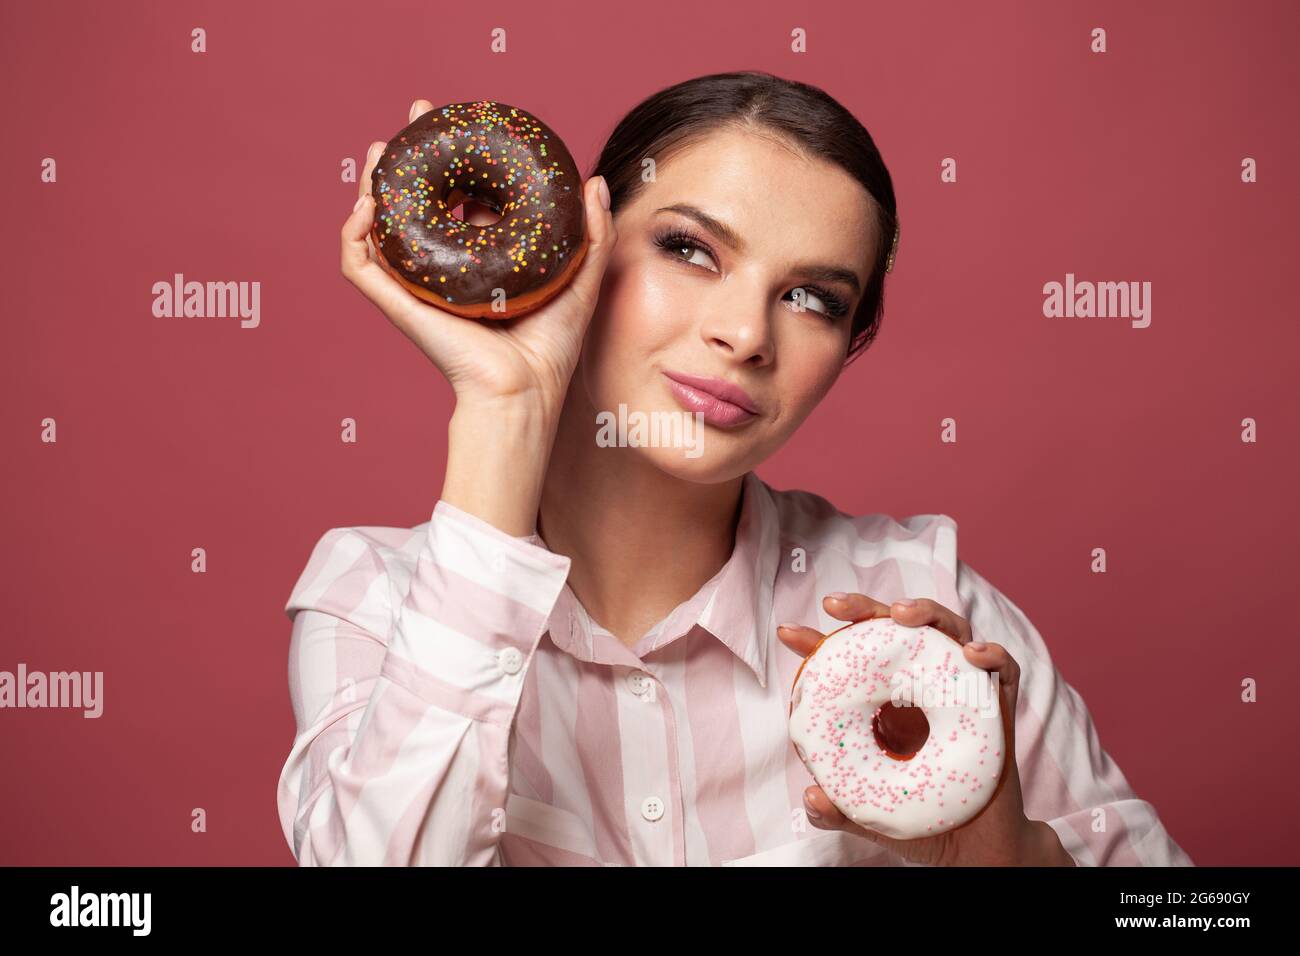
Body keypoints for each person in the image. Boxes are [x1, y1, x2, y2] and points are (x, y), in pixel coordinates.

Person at [276, 71, 1192, 867]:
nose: (747, 335)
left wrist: (1012, 861)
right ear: (581, 247)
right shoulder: (379, 604)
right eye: (689, 249)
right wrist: (502, 407)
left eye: (812, 299)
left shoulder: (928, 612)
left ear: (849, 345)